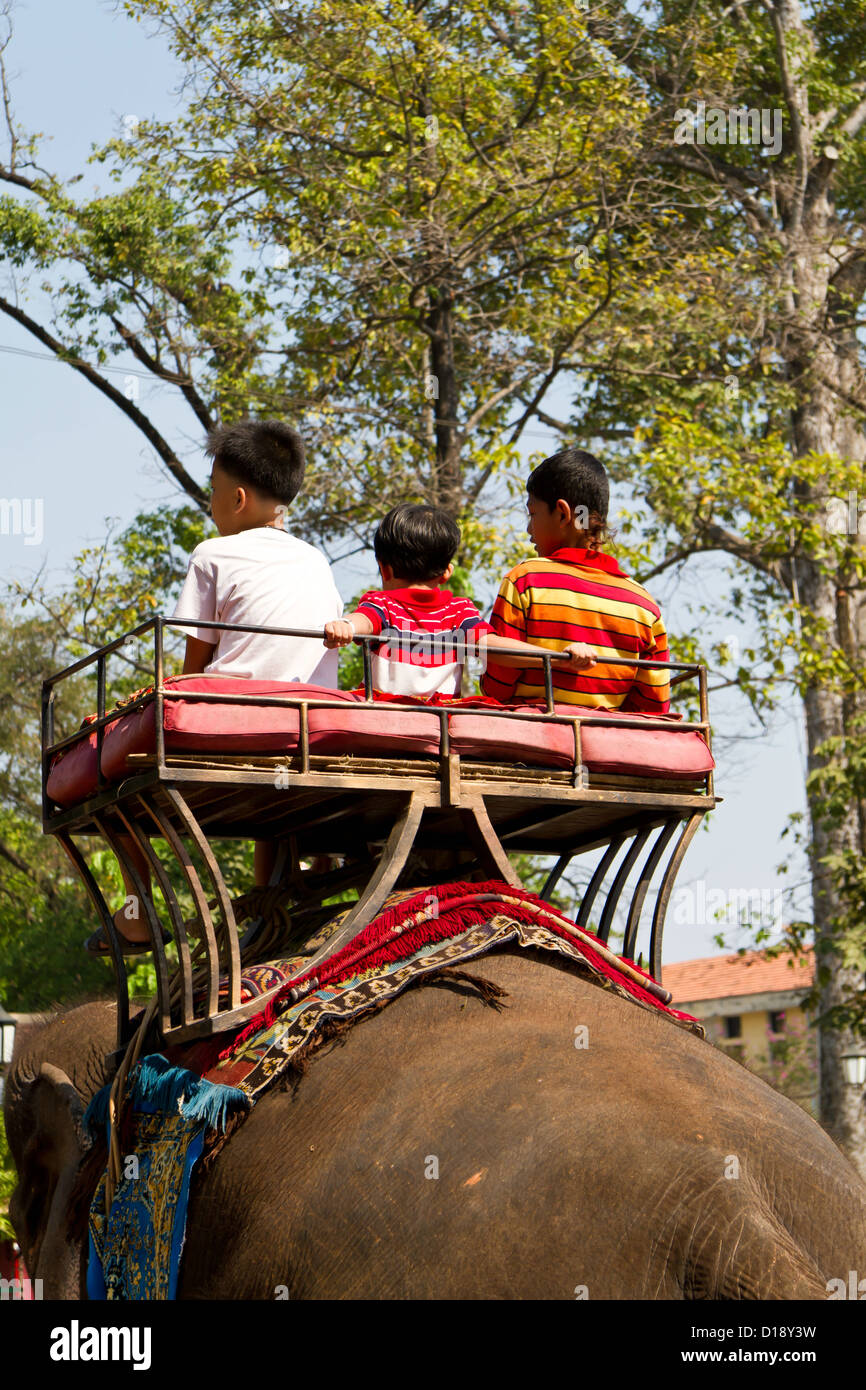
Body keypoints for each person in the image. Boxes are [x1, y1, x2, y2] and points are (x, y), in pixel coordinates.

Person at [86, 419, 343, 956]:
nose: (210, 503)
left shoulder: (212, 554)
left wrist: (144, 702)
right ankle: (299, 874)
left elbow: (191, 673)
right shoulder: (317, 559)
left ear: (239, 498)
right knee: (274, 803)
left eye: (213, 492)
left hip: (233, 724)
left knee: (103, 774)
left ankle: (137, 914)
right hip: (308, 727)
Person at [323, 502, 596, 695]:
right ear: (447, 573)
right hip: (438, 726)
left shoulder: (382, 605)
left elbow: (363, 621)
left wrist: (343, 625)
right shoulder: (459, 612)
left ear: (384, 568)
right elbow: (497, 647)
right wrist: (557, 657)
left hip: (382, 720)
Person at [480, 448, 671, 712]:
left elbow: (496, 687)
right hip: (604, 746)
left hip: (530, 741)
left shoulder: (525, 581)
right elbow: (652, 708)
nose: (528, 530)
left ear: (562, 513)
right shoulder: (643, 605)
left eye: (532, 514)